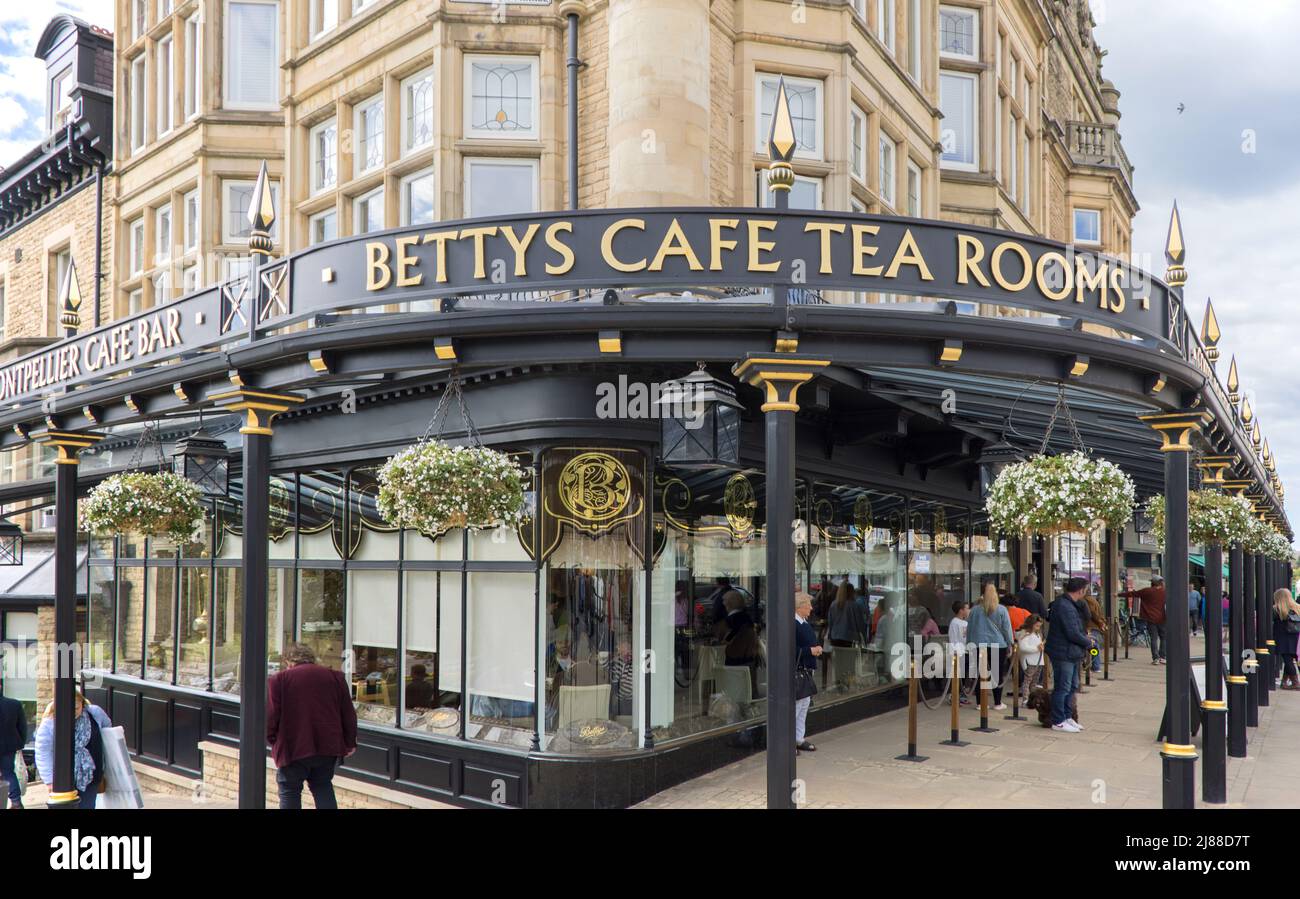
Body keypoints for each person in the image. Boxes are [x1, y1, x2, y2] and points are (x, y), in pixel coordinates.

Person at [266, 642, 358, 810]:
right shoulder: (335, 677)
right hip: (327, 745)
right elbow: (348, 713)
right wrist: (350, 742)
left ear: (289, 661)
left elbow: (272, 715)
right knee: (322, 786)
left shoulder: (279, 680)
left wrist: (273, 739)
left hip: (293, 746)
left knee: (289, 790)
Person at [34, 691, 111, 808]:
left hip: (91, 775)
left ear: (82, 704)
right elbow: (42, 752)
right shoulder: (49, 723)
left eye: (76, 708)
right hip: (63, 779)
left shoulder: (94, 713)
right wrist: (49, 781)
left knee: (88, 806)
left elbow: (108, 730)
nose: (72, 712)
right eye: (67, 708)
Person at [1045, 577, 1092, 732]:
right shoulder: (1064, 606)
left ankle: (1067, 717)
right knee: (1063, 687)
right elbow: (1071, 632)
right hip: (1063, 652)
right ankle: (1058, 721)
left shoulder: (1070, 604)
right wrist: (1088, 642)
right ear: (1081, 590)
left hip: (1071, 652)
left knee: (1071, 686)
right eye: (1086, 589)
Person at [966, 584, 1014, 710]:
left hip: (978, 644)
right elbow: (1006, 629)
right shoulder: (1002, 609)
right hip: (997, 645)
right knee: (996, 673)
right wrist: (1010, 643)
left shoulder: (975, 610)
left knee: (980, 673)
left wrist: (969, 643)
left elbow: (970, 628)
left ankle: (980, 703)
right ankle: (997, 702)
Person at [794, 592, 823, 753]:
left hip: (807, 669)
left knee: (804, 704)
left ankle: (799, 738)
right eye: (808, 605)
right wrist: (810, 650)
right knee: (797, 705)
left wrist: (816, 649)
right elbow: (793, 649)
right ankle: (791, 740)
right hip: (799, 669)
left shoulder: (803, 622)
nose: (811, 608)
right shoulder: (794, 624)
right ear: (799, 607)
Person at [1121, 576, 1166, 665]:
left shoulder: (1147, 591)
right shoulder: (1164, 592)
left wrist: (1118, 595)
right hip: (1162, 618)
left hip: (1150, 618)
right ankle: (1163, 657)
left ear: (1152, 583)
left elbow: (1133, 594)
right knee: (1163, 638)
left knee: (1153, 638)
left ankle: (1155, 658)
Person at [0, 686, 27, 810]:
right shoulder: (14, 704)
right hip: (8, 746)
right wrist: (20, 743)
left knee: (8, 773)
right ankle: (16, 802)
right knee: (8, 773)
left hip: (8, 745)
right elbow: (22, 726)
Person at [1272, 588, 1300, 690]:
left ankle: (1295, 682)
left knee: (1288, 661)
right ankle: (1284, 682)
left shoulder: (1277, 609)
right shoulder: (1297, 608)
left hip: (1283, 638)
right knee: (1294, 659)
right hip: (1296, 637)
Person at [826, 581, 868, 649]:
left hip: (835, 637)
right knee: (849, 658)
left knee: (837, 659)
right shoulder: (855, 606)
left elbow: (830, 622)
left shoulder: (833, 604)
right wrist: (864, 639)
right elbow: (860, 624)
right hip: (850, 638)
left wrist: (829, 635)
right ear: (852, 592)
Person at [947, 599, 972, 704]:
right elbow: (957, 638)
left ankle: (960, 696)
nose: (968, 610)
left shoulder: (963, 622)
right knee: (959, 675)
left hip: (964, 651)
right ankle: (954, 696)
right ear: (961, 610)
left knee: (963, 675)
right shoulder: (957, 623)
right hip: (959, 652)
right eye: (967, 608)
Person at [1016, 614, 1045, 700]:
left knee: (1034, 683)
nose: (1038, 628)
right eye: (1036, 626)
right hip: (1030, 661)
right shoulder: (1025, 634)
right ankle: (1025, 699)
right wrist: (1036, 649)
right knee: (1027, 682)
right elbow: (1023, 647)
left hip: (1039, 661)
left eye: (1039, 626)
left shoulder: (1038, 634)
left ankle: (1032, 699)